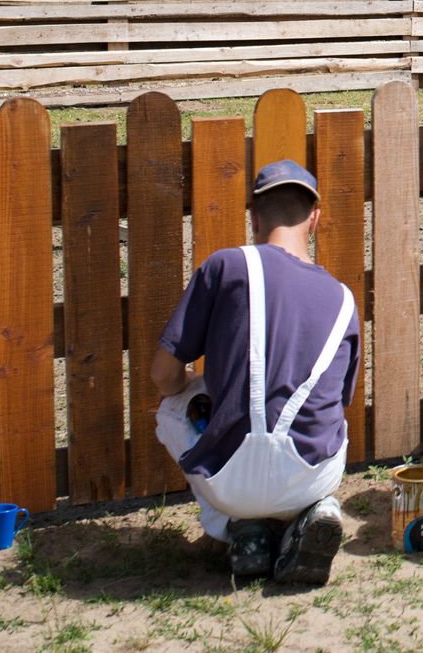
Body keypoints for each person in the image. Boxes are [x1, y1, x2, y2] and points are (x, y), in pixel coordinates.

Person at [151, 161, 359, 584]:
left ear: (254, 217)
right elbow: (339, 401)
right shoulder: (343, 298)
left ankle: (236, 528)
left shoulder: (224, 268)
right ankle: (315, 511)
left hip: (229, 479)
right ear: (315, 219)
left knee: (172, 406)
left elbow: (163, 375)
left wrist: (201, 388)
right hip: (309, 474)